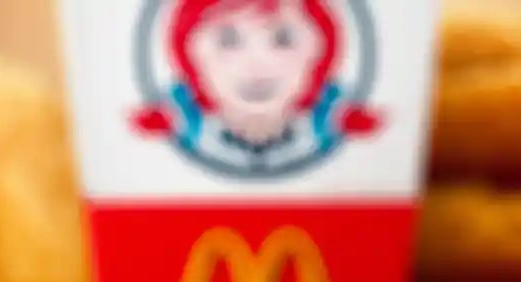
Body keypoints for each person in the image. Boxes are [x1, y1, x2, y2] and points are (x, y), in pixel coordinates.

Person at [134, 0, 380, 173]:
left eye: (283, 40)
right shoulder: (190, 118)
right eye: (227, 41)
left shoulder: (323, 117)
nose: (257, 65)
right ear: (190, 57)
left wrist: (350, 120)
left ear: (319, 54)